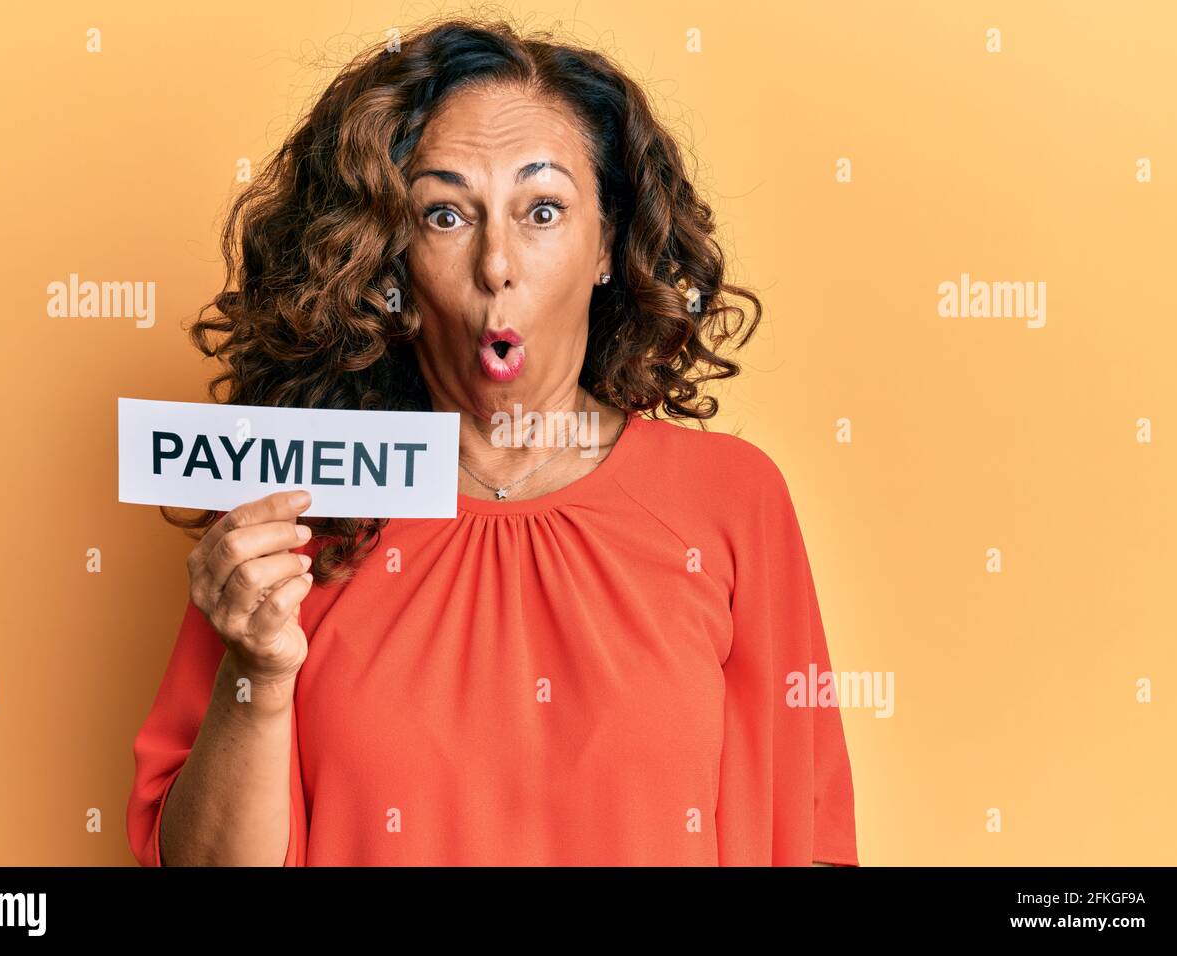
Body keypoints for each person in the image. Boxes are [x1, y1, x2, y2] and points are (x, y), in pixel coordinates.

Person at [126, 17, 859, 866]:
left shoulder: (731, 499)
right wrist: (256, 673)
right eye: (444, 214)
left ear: (607, 248)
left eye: (542, 209)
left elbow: (806, 835)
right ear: (390, 260)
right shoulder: (298, 507)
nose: (496, 263)